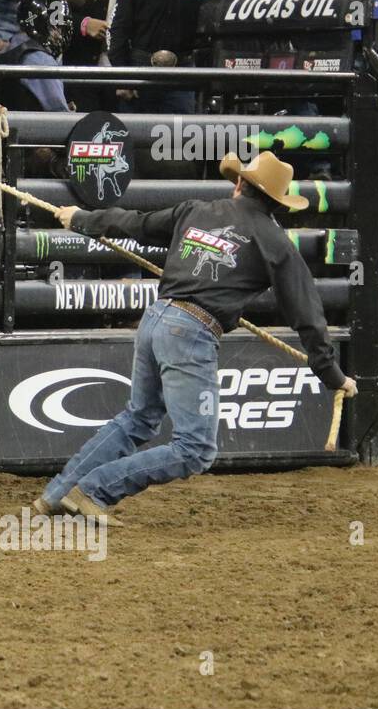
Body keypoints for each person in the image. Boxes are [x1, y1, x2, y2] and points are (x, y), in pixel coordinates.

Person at [34, 150, 357, 523]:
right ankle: (91, 490)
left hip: (156, 319)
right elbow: (308, 315)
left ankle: (58, 494)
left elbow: (134, 223)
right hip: (191, 331)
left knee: (138, 417)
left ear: (240, 184)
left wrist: (82, 219)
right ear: (277, 205)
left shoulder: (195, 210)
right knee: (195, 449)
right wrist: (333, 375)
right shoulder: (275, 242)